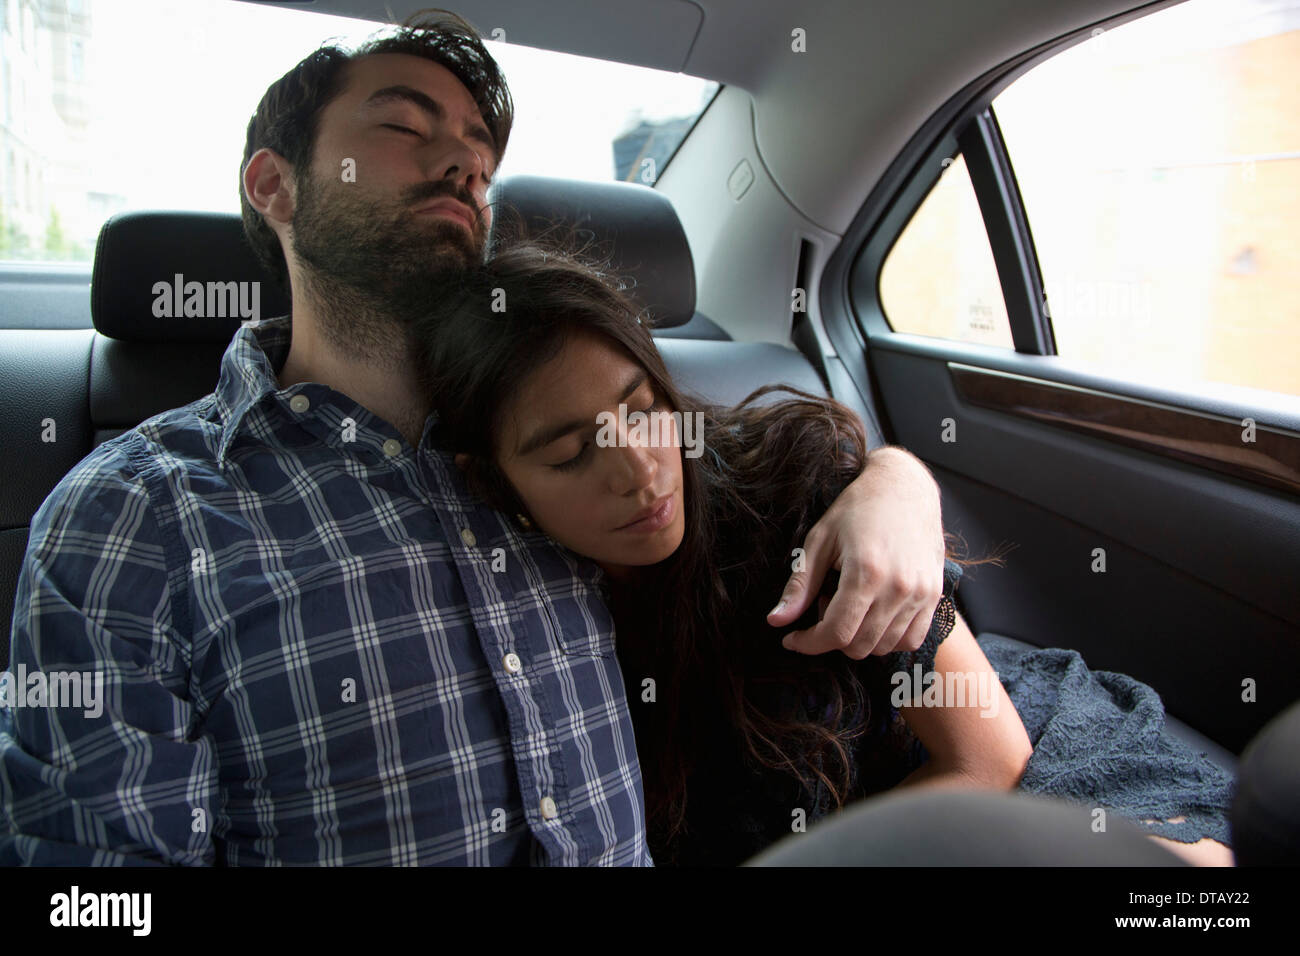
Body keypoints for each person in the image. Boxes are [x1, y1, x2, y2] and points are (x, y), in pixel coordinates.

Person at [0, 12, 953, 866]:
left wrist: (896, 478)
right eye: (407, 128)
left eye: (480, 158)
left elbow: (750, 485)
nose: (461, 164)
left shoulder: (543, 444)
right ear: (275, 186)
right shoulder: (136, 512)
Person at [405, 237, 1237, 867]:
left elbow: (988, 758)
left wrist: (894, 477)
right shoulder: (519, 614)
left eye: (643, 405)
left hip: (1000, 769)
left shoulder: (788, 489)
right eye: (570, 453)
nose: (639, 469)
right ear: (494, 482)